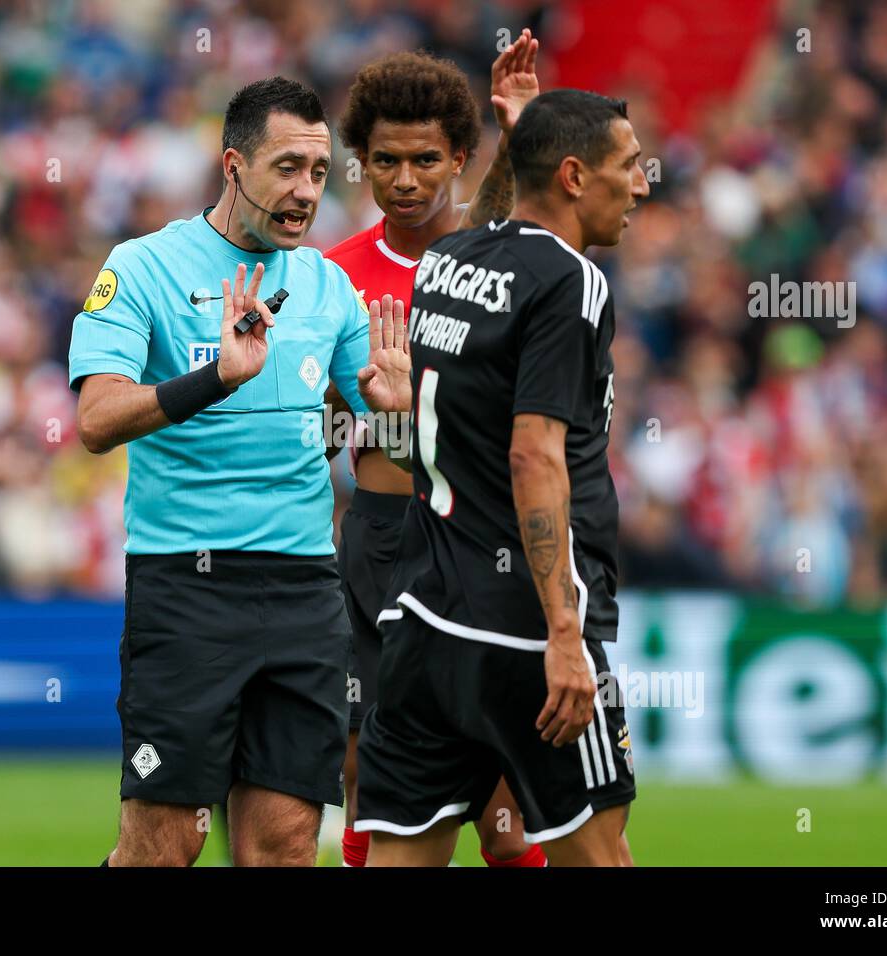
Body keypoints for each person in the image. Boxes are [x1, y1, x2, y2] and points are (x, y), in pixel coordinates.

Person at [68, 76, 410, 866]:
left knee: (286, 845)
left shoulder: (328, 286)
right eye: (287, 168)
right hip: (186, 588)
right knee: (163, 845)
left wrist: (396, 410)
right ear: (233, 164)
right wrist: (215, 378)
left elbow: (397, 443)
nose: (305, 191)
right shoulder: (143, 266)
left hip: (303, 591)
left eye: (320, 174)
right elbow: (94, 421)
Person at [354, 88, 650, 866]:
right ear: (578, 176)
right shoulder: (572, 282)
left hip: (422, 618)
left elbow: (439, 439)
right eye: (630, 166)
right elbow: (531, 455)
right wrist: (563, 635)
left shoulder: (447, 261)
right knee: (601, 856)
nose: (643, 184)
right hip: (524, 627)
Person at [324, 32, 548, 867]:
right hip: (381, 534)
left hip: (478, 540)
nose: (406, 181)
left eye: (426, 160)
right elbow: (313, 428)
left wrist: (519, 125)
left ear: (458, 156)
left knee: (503, 807)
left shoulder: (493, 261)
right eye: (385, 162)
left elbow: (503, 216)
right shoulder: (329, 276)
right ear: (363, 162)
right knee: (369, 780)